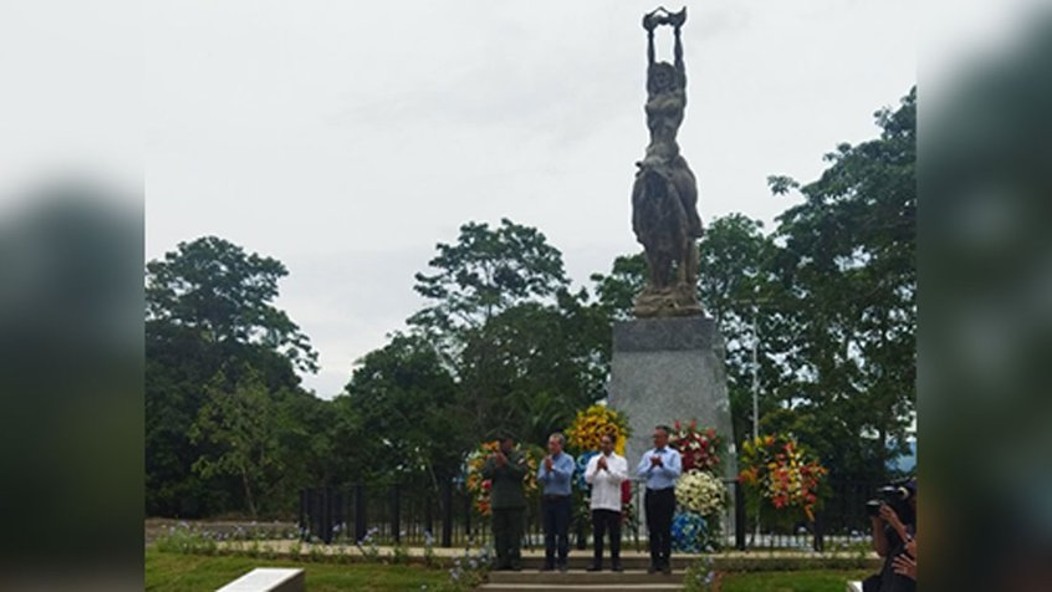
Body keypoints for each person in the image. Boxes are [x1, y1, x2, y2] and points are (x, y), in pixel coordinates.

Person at [636, 424, 682, 575]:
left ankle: (666, 561)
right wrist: (651, 466)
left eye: (658, 437)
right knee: (653, 529)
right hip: (651, 493)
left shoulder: (673, 454)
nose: (655, 440)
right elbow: (640, 472)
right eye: (654, 437)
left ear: (666, 438)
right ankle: (654, 560)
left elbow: (676, 472)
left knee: (665, 528)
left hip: (666, 493)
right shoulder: (648, 454)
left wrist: (662, 465)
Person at [480, 433, 527, 571]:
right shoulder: (493, 459)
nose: (502, 445)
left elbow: (521, 473)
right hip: (499, 502)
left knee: (515, 533)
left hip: (515, 502)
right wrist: (497, 466)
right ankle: (502, 559)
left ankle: (515, 560)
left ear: (511, 442)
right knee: (500, 533)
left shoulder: (519, 457)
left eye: (504, 442)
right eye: (500, 443)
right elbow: (485, 473)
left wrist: (506, 464)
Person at [584, 433, 629, 572]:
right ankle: (597, 562)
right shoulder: (593, 460)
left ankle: (616, 562)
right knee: (598, 534)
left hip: (612, 503)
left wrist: (607, 469)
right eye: (602, 442)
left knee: (614, 534)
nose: (604, 445)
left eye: (607, 442)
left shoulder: (620, 461)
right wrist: (597, 469)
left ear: (613, 445)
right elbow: (588, 479)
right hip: (598, 502)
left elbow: (621, 478)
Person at [863, 479, 917, 592]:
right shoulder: (905, 520)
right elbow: (882, 550)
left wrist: (896, 523)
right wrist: (878, 525)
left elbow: (914, 548)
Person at [537, 432, 575, 572]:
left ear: (560, 445)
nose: (550, 447)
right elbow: (541, 479)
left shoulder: (568, 459)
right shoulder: (545, 461)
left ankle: (563, 561)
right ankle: (549, 561)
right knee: (549, 532)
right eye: (549, 444)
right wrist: (547, 471)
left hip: (562, 499)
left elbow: (567, 476)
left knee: (562, 531)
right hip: (548, 499)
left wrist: (553, 468)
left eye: (553, 444)